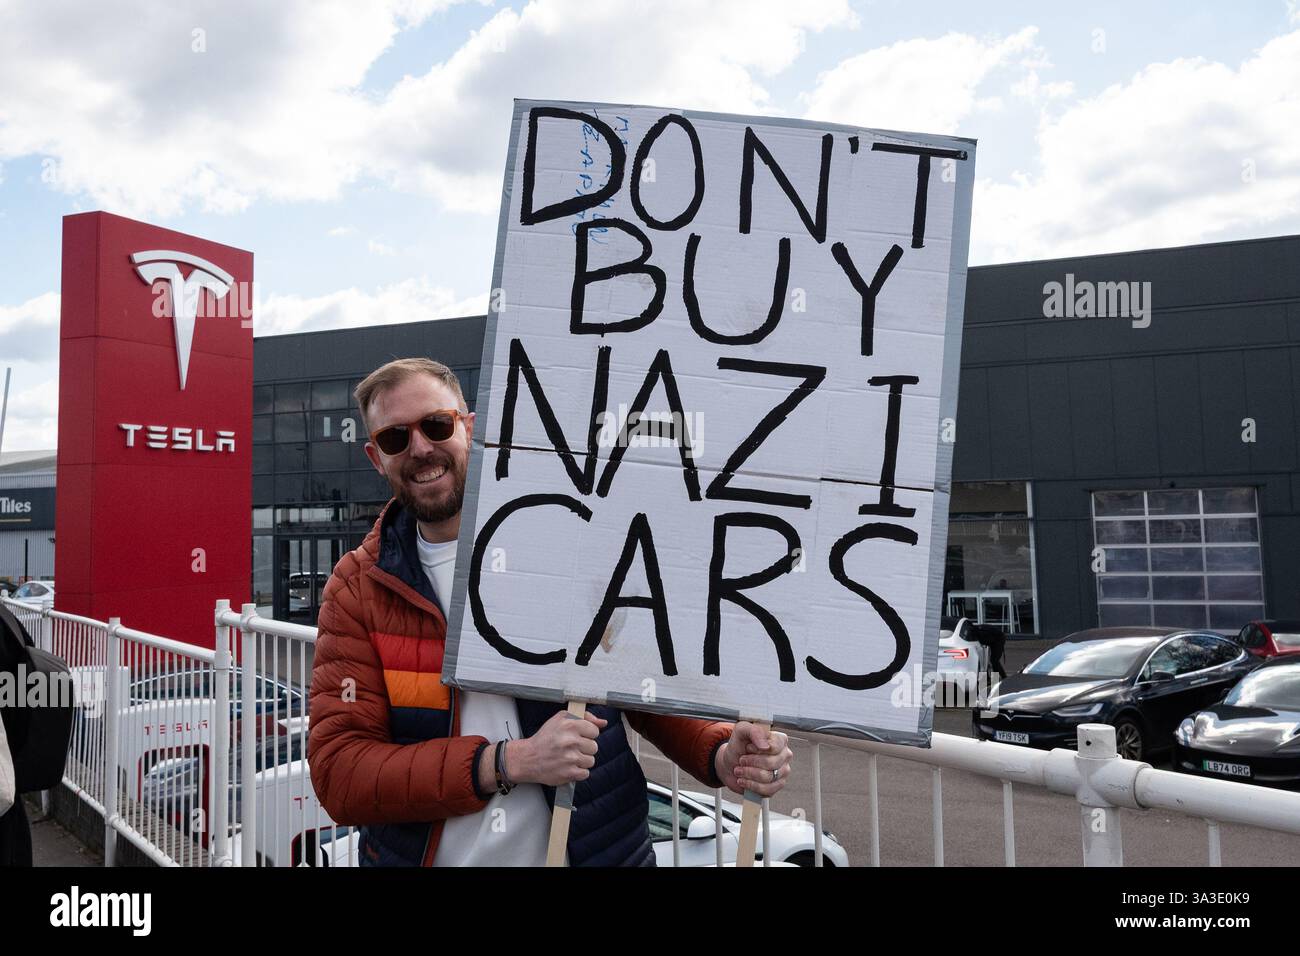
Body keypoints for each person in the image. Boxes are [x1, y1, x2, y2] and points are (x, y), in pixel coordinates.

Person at [308, 358, 793, 866]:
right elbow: (340, 773)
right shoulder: (357, 588)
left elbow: (639, 677)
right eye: (394, 438)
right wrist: (505, 761)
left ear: (468, 427)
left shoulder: (567, 540)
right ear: (374, 457)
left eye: (436, 425)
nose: (421, 448)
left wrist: (720, 752)